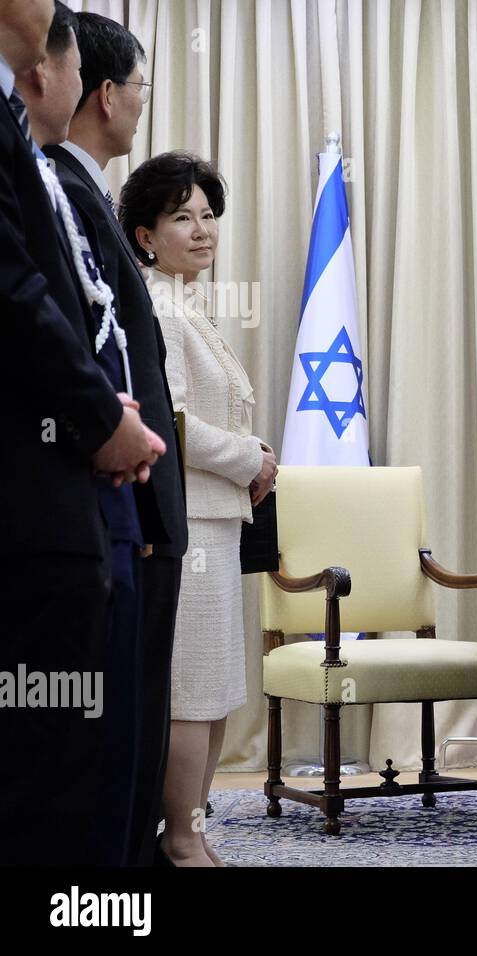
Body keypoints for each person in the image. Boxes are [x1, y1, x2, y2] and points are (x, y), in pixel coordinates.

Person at [0, 0, 163, 866]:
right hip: (56, 487)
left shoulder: (57, 175)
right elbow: (25, 305)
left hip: (95, 490)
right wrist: (105, 424)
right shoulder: (43, 168)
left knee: (95, 747)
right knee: (57, 762)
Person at [44, 10, 189, 866]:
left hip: (139, 505)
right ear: (104, 91)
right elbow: (98, 358)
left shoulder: (85, 190)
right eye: (138, 89)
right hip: (112, 502)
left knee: (138, 713)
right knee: (109, 735)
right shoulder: (60, 188)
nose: (140, 107)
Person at [120, 151, 277, 866]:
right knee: (191, 690)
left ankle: (194, 833)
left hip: (215, 521)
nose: (202, 229)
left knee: (213, 691)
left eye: (208, 215)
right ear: (147, 234)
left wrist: (255, 451)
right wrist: (253, 458)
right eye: (182, 216)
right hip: (188, 527)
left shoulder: (185, 302)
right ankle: (181, 841)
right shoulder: (154, 301)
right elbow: (172, 424)